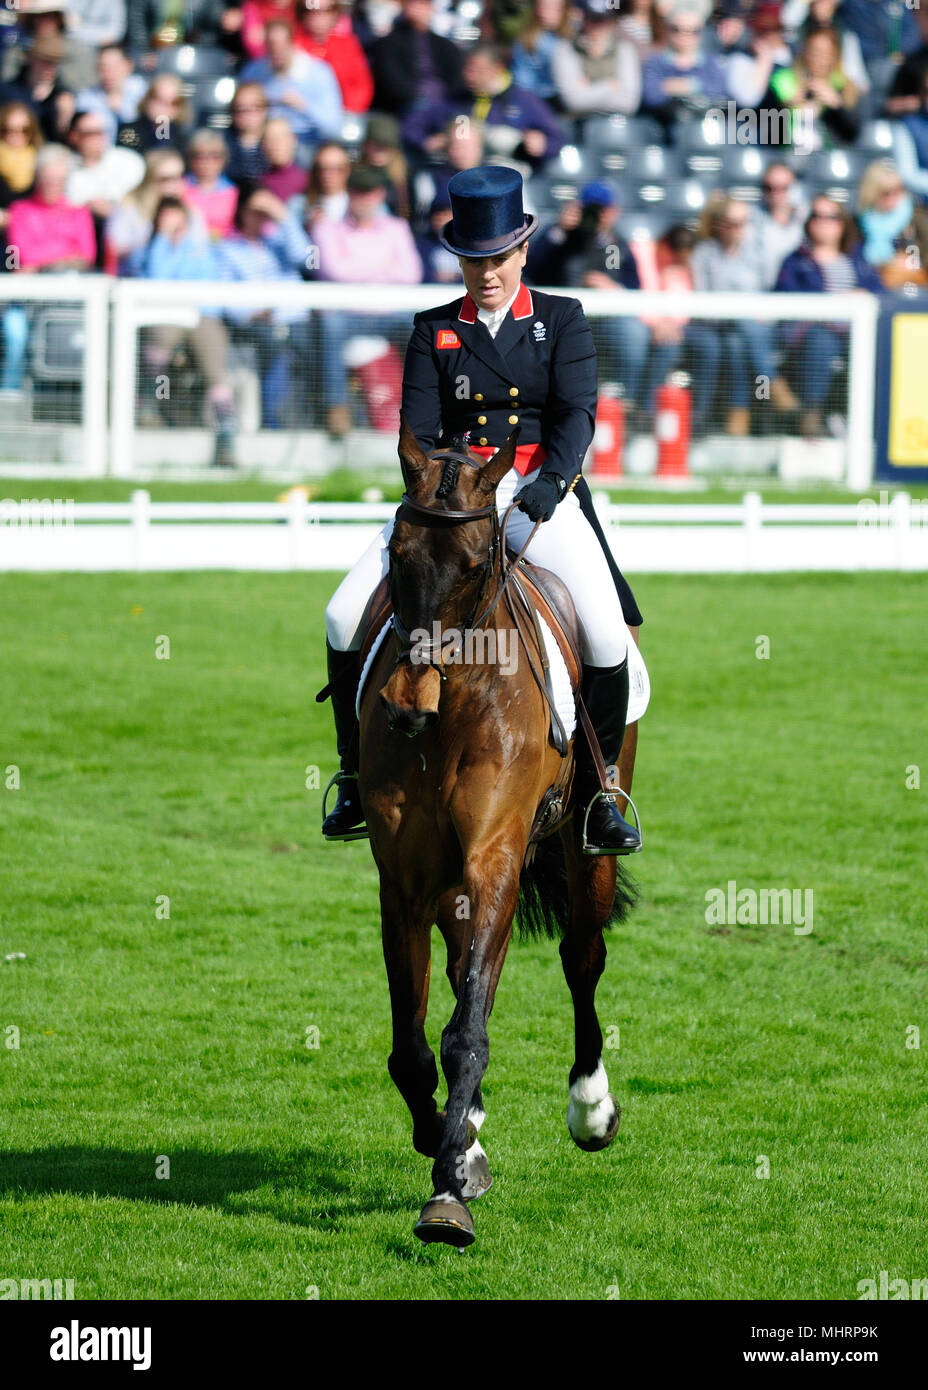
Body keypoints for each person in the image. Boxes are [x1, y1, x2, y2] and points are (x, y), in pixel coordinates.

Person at [321, 165, 643, 855]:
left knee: (608, 637)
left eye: (498, 258)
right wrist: (454, 493)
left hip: (539, 498)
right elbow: (419, 429)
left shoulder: (562, 320)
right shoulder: (433, 329)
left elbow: (576, 415)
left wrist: (552, 483)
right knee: (343, 613)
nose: (487, 273)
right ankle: (352, 774)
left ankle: (602, 794)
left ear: (522, 251)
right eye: (474, 261)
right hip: (452, 507)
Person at [312, 164, 422, 436]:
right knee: (331, 327)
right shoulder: (327, 228)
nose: (364, 198)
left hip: (390, 314)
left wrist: (358, 268)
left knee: (422, 329)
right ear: (349, 193)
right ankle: (336, 408)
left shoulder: (396, 227)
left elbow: (412, 273)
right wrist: (383, 267)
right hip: (348, 315)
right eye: (358, 191)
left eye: (370, 192)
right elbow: (333, 271)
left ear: (380, 194)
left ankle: (424, 407)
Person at [773, 194, 883, 436]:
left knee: (880, 345)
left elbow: (879, 291)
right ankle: (811, 418)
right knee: (821, 342)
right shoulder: (795, 261)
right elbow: (786, 299)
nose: (823, 222)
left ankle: (876, 423)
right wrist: (830, 305)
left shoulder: (858, 260)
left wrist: (863, 294)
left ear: (842, 223)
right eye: (817, 216)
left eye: (830, 217)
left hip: (855, 331)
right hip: (812, 331)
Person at [691, 195, 798, 434]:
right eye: (733, 223)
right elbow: (702, 298)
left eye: (744, 222)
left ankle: (738, 415)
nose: (740, 229)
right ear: (720, 224)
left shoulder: (758, 251)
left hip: (756, 326)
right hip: (718, 322)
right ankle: (773, 384)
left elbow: (770, 289)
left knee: (737, 344)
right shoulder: (704, 254)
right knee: (739, 325)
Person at [239, 17, 343, 146]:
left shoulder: (319, 73)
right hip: (265, 141)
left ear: (293, 43)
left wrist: (303, 106)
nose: (277, 51)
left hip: (307, 141)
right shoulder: (253, 72)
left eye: (282, 45)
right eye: (272, 45)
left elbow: (333, 126)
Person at [551, 0, 642, 116]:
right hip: (578, 126)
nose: (597, 27)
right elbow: (573, 102)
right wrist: (610, 86)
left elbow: (630, 103)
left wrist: (587, 91)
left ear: (611, 21)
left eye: (602, 20)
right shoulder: (566, 49)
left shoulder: (625, 50)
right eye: (593, 19)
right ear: (584, 19)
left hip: (615, 124)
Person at [856, 159, 928, 292]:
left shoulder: (919, 220)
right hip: (875, 291)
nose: (894, 196)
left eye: (899, 189)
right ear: (872, 192)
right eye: (886, 192)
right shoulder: (860, 225)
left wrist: (914, 264)